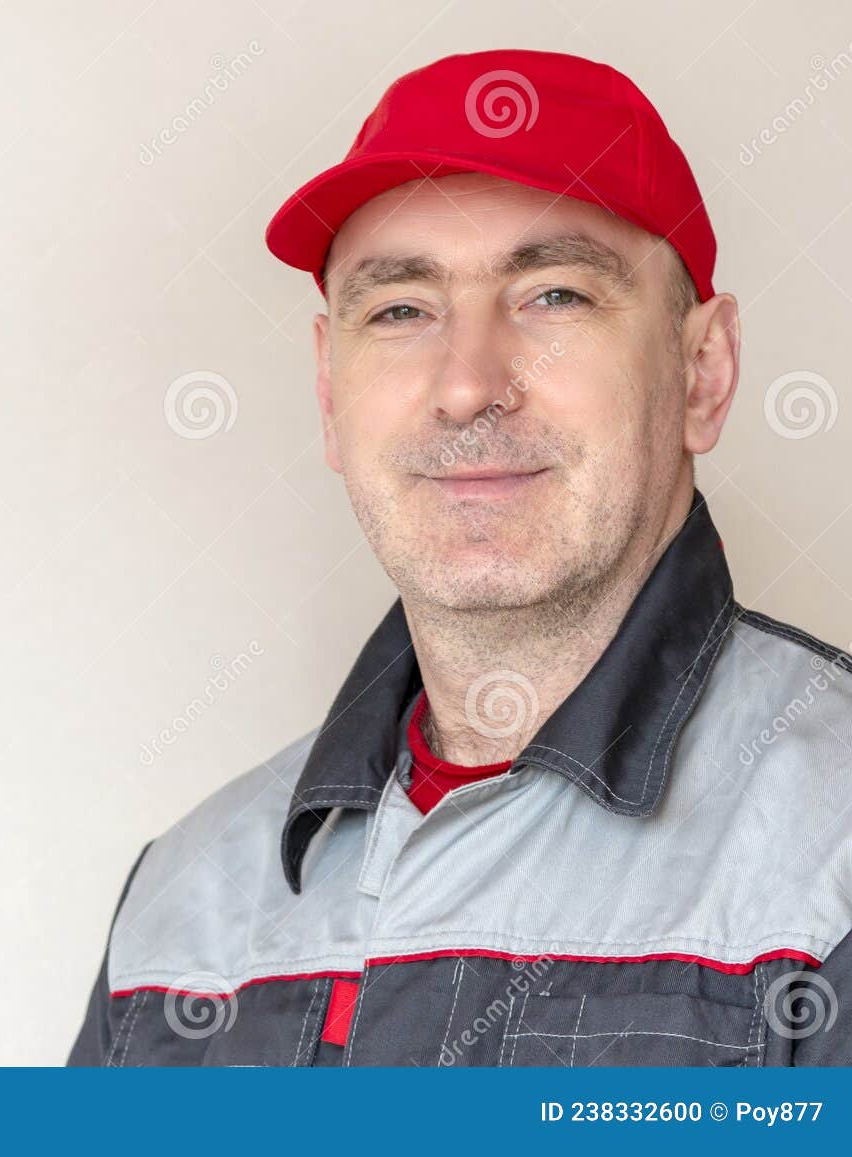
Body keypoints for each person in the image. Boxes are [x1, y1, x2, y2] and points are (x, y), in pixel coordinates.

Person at [68, 47, 852, 1067]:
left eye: (554, 295)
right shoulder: (181, 908)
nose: (466, 385)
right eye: (401, 309)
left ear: (703, 371)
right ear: (329, 392)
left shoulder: (828, 855)